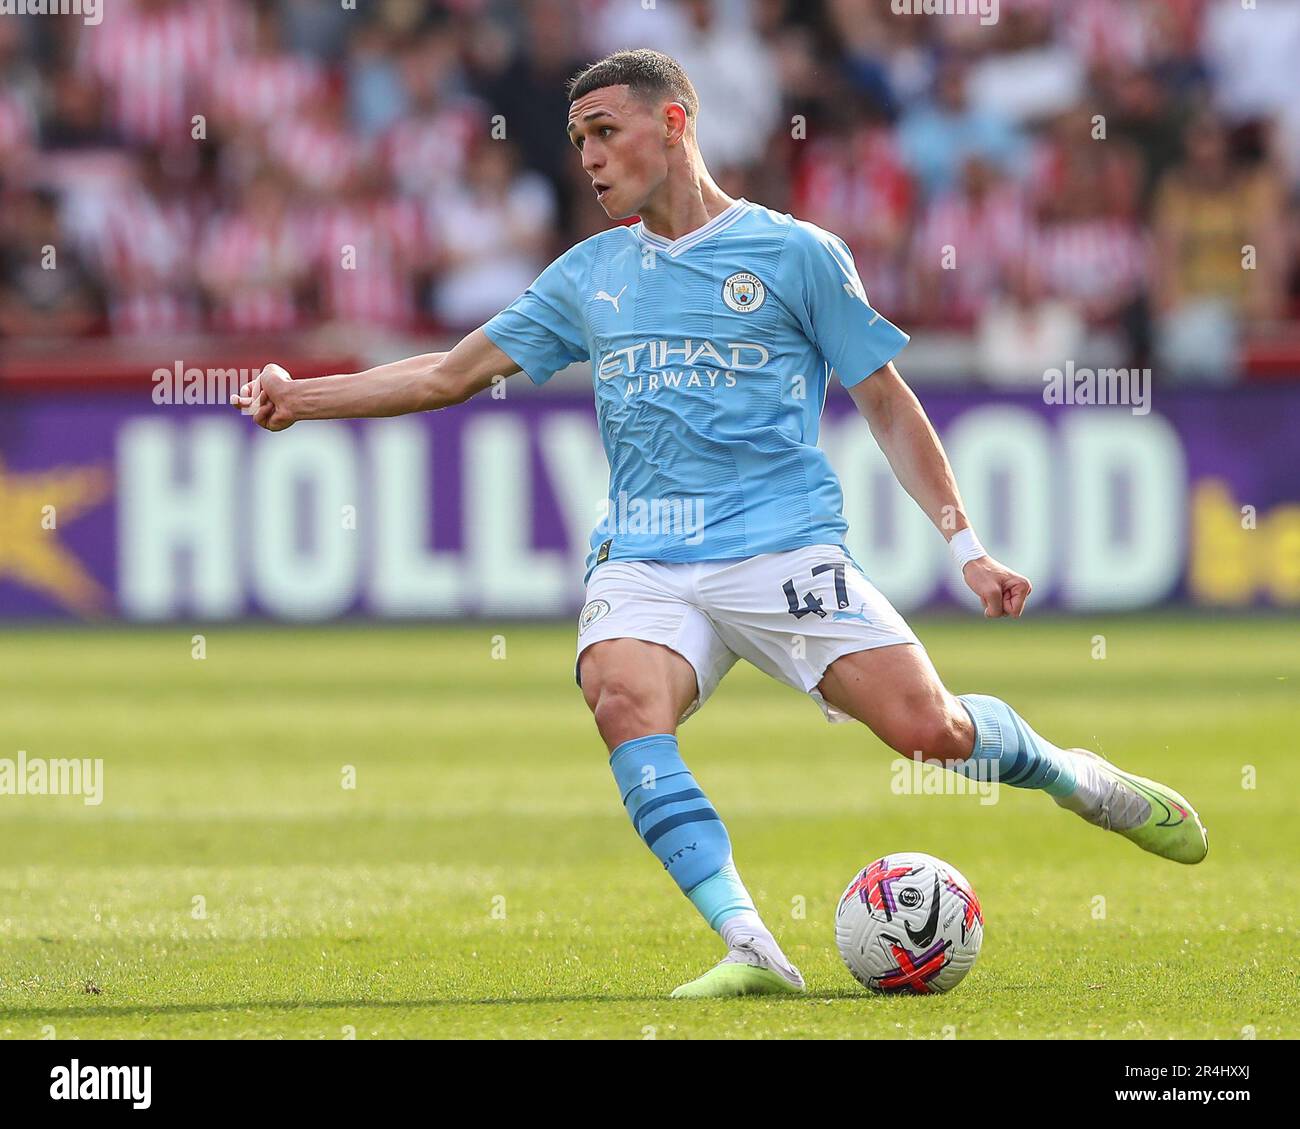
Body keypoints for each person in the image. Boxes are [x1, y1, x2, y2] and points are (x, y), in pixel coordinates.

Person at [232, 50, 1208, 999]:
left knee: (930, 731)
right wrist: (300, 398)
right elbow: (449, 373)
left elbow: (887, 405)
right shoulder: (587, 275)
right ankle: (749, 942)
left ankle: (1074, 777)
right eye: (577, 140)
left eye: (604, 131)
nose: (589, 157)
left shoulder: (797, 254)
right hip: (646, 556)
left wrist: (967, 546)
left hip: (782, 550)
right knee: (620, 701)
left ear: (674, 122)